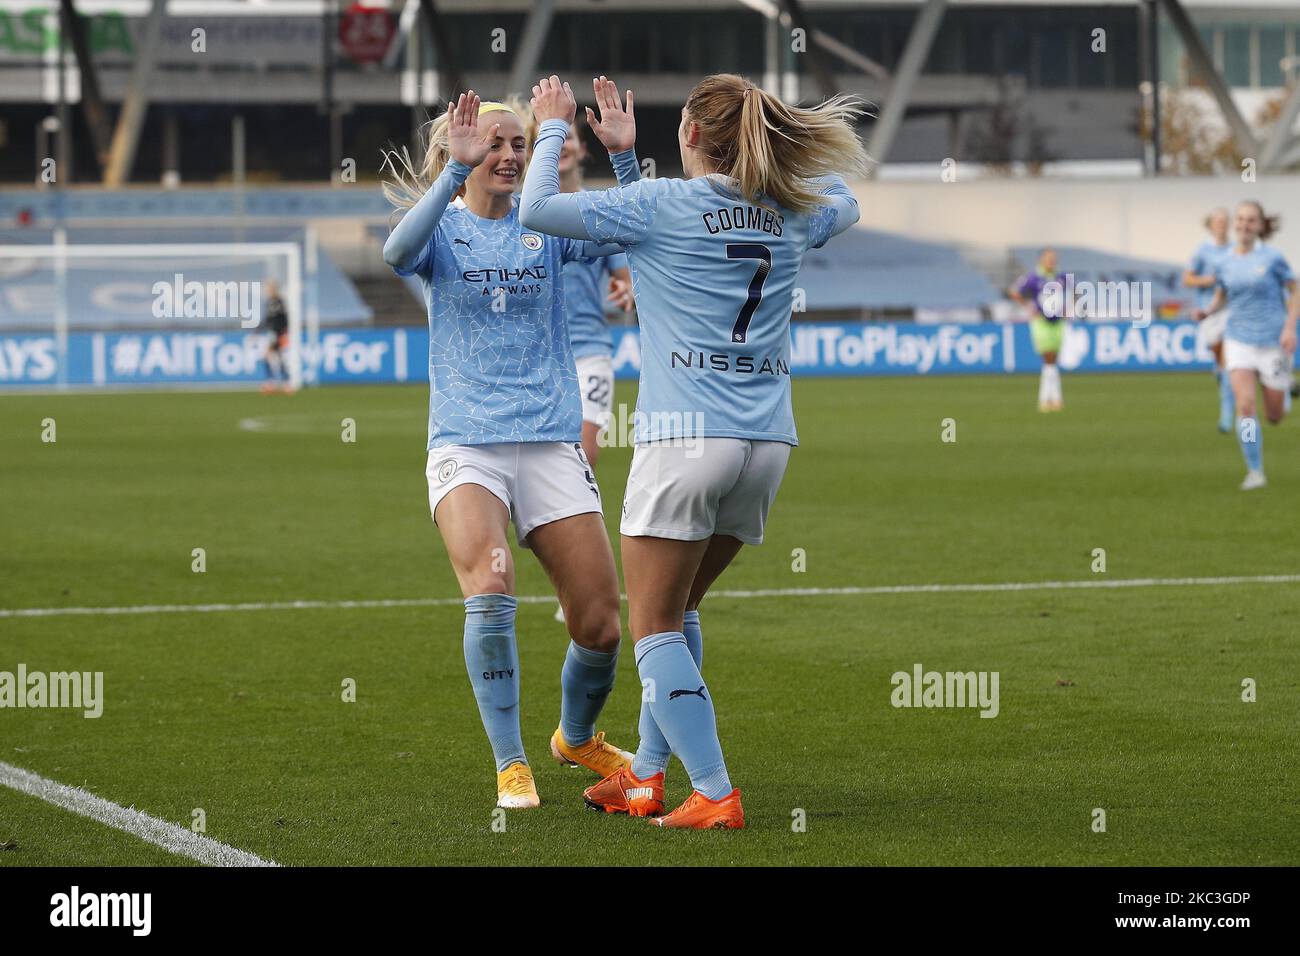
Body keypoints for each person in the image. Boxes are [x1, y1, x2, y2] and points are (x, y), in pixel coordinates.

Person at [521, 73, 866, 828]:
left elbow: (538, 209)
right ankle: (645, 776)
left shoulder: (660, 204)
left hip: (683, 442)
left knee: (652, 627)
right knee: (678, 612)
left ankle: (714, 791)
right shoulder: (792, 210)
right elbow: (847, 197)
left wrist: (552, 126)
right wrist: (778, 154)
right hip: (765, 444)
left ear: (686, 138)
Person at [381, 92, 633, 810]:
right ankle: (511, 762)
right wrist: (446, 177)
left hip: (550, 442)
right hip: (467, 445)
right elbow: (397, 254)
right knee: (490, 591)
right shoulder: (442, 228)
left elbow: (635, 225)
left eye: (520, 144)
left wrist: (620, 152)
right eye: (494, 143)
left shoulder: (546, 224)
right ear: (461, 151)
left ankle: (576, 738)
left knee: (601, 625)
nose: (510, 155)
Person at [1194, 201, 1299, 490]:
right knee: (1246, 405)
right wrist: (1207, 312)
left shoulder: (1273, 258)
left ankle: (1283, 387)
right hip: (1238, 339)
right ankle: (1255, 471)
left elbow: (1294, 289)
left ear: (1261, 226)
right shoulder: (1223, 260)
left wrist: (1290, 327)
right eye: (1240, 219)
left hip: (1272, 341)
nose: (1244, 225)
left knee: (1275, 416)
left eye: (1251, 220)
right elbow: (1222, 294)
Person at [1183, 208, 1235, 432]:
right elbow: (1187, 279)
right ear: (1211, 225)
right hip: (1208, 311)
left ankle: (1226, 414)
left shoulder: (1236, 249)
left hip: (1231, 308)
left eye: (1225, 221)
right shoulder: (1202, 251)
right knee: (1220, 358)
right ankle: (1222, 376)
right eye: (1218, 221)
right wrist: (1210, 280)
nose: (1221, 225)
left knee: (1227, 359)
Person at [1009, 249, 1066, 412]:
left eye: (1053, 258)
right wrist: (1028, 306)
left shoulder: (1060, 277)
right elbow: (1015, 291)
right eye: (1048, 258)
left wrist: (1068, 308)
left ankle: (1052, 400)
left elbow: (1074, 292)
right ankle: (1048, 399)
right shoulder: (1034, 278)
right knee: (1048, 359)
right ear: (1041, 260)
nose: (1051, 261)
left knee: (1052, 361)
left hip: (1058, 322)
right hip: (1041, 322)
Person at [259, 279, 291, 393]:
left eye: (269, 288)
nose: (267, 290)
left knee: (268, 356)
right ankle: (285, 382)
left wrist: (283, 333)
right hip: (272, 333)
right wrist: (257, 330)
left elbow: (283, 319)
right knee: (278, 358)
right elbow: (267, 319)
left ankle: (271, 382)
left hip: (277, 333)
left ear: (274, 289)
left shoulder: (278, 302)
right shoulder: (270, 302)